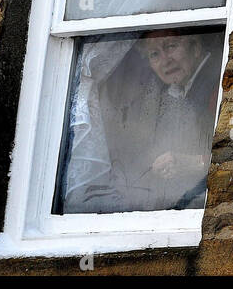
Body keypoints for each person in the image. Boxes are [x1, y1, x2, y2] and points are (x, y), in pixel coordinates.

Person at [73, 29, 222, 213]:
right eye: (154, 54)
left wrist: (193, 163)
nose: (165, 60)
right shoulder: (178, 91)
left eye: (171, 46)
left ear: (196, 47)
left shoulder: (219, 85)